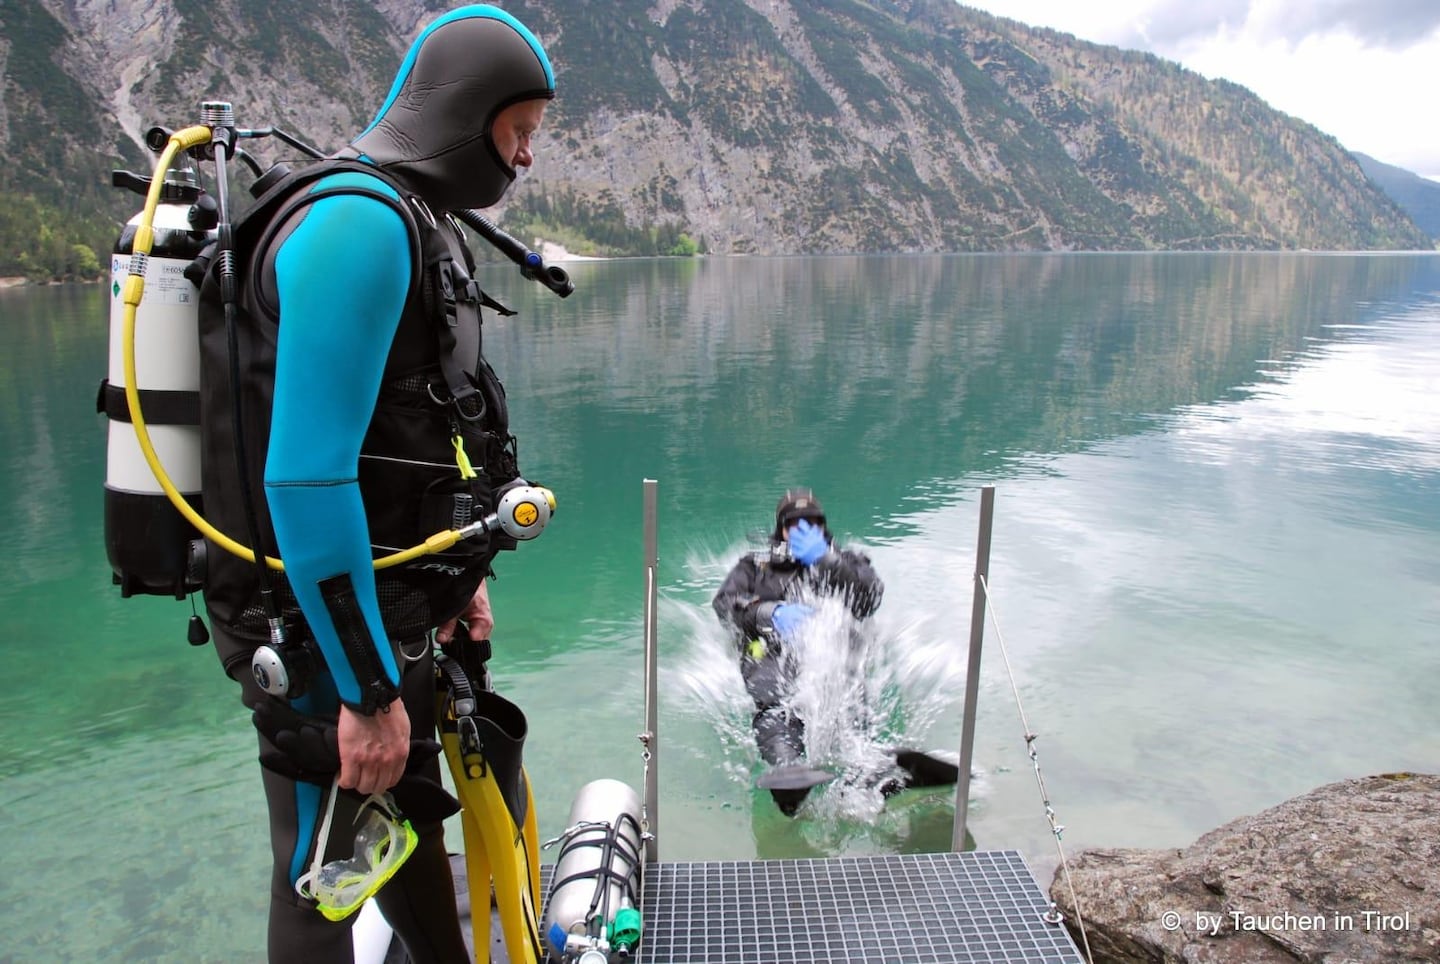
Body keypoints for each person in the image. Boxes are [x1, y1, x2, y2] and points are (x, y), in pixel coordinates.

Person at [194, 6, 555, 961]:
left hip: (381, 614)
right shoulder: (357, 225)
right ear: (463, 111)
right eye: (516, 131)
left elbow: (410, 438)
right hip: (321, 637)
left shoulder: (406, 216)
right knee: (324, 880)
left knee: (410, 833)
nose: (524, 159)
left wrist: (457, 578)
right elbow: (307, 480)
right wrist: (363, 691)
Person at [712, 488, 885, 815]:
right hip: (773, 648)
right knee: (773, 692)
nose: (804, 528)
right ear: (782, 528)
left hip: (833, 653)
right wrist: (767, 613)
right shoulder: (755, 566)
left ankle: (870, 769)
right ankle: (787, 765)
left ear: (823, 526)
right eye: (795, 522)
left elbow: (869, 600)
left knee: (850, 693)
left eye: (812, 522)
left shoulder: (847, 561)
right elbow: (724, 605)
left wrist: (828, 561)